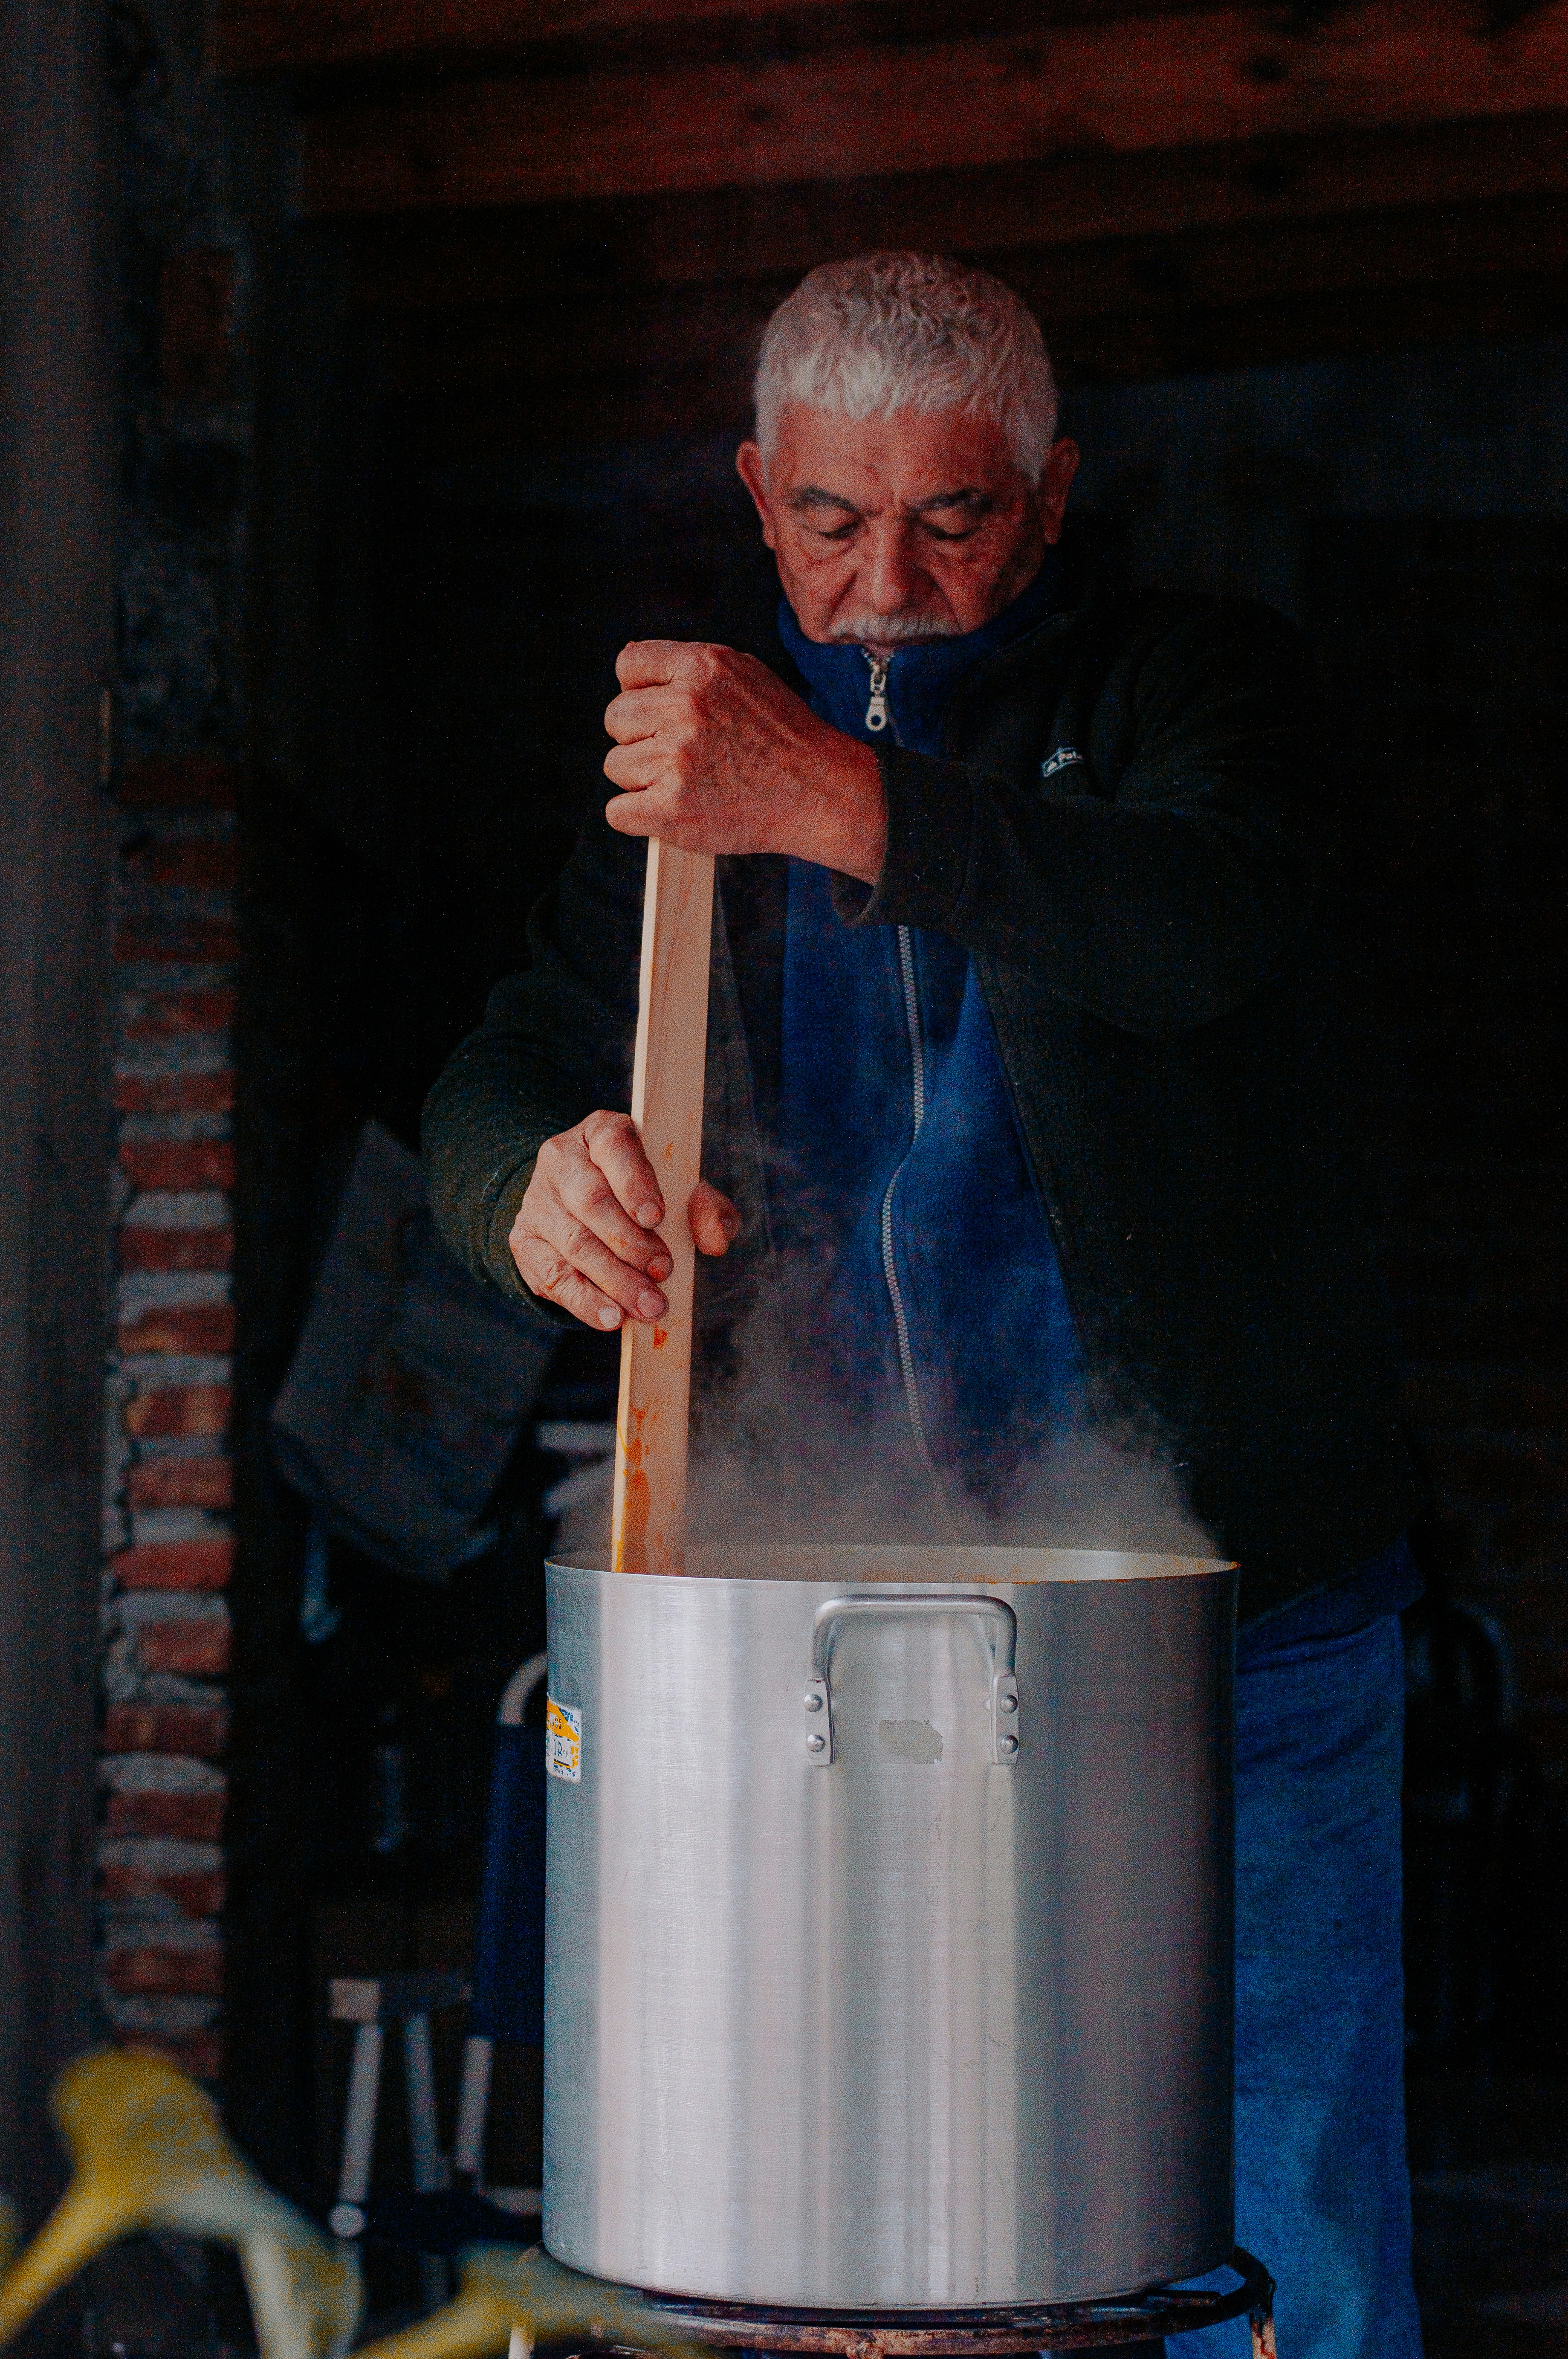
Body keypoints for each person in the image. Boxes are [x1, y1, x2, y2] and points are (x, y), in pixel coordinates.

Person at [424, 252, 1425, 2359]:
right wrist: (531, 1180)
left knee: (1276, 2216)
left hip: (1222, 1620)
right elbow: (516, 1054)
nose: (881, 582)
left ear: (1050, 497)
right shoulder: (687, 796)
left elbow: (1201, 927)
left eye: (951, 519)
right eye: (827, 519)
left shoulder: (1196, 693)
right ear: (753, 490)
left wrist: (836, 798)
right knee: (862, 2246)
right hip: (825, 1631)